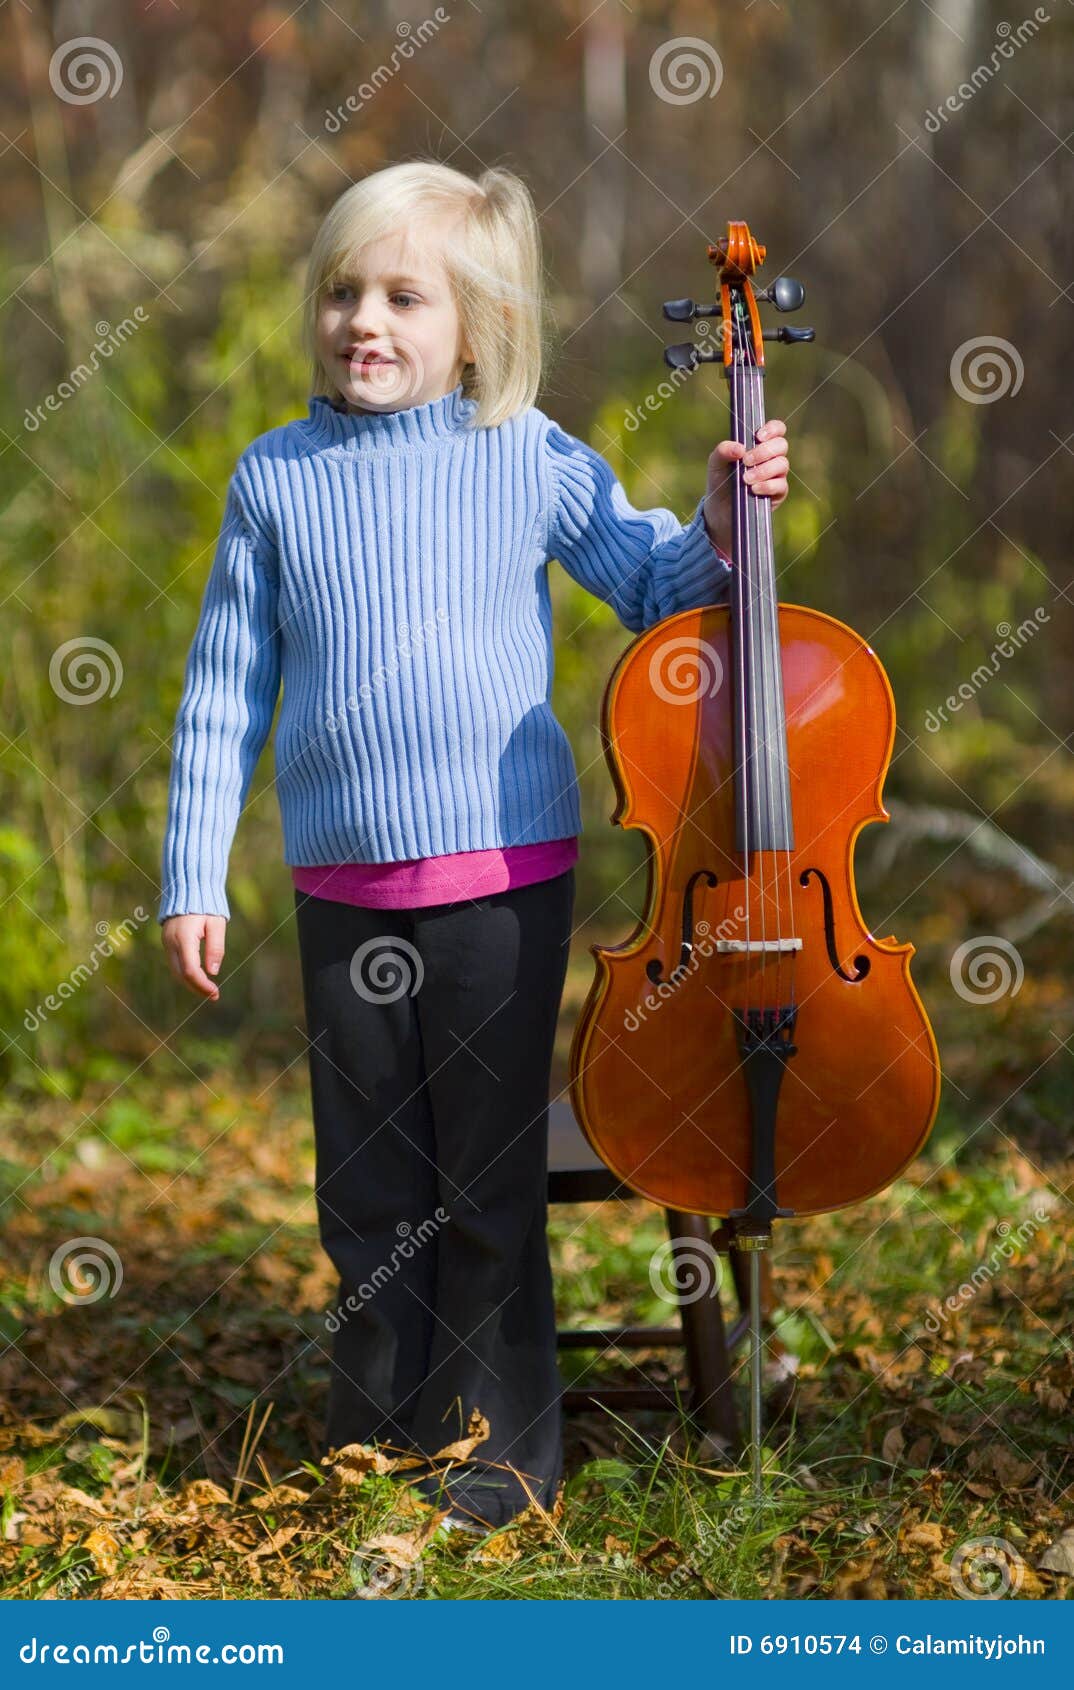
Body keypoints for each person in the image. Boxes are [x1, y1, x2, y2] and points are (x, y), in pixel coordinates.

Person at [158, 159, 790, 1533]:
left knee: (485, 1181)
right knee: (371, 1185)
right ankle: (371, 1444)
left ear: (477, 327)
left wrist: (726, 505)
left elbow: (648, 583)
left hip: (506, 882)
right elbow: (223, 687)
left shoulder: (527, 453)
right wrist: (189, 871)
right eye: (341, 292)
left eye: (401, 295)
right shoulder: (276, 480)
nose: (363, 321)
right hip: (340, 885)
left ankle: (499, 1461)